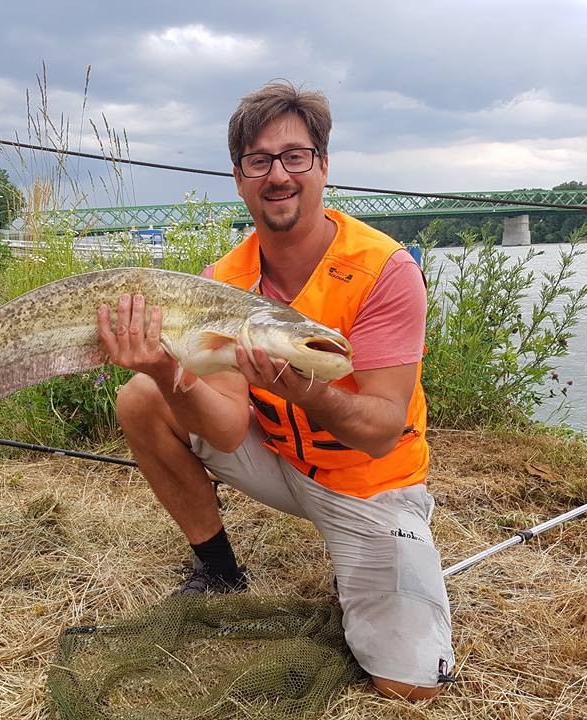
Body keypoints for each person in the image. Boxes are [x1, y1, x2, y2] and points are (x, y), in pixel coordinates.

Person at [95, 81, 454, 701]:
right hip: (280, 461)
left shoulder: (385, 270)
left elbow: (379, 430)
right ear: (238, 178)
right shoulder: (222, 281)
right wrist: (161, 368)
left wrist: (308, 390)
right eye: (258, 161)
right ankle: (218, 571)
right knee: (141, 396)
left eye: (295, 156)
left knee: (408, 686)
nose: (278, 175)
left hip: (367, 482)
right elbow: (229, 429)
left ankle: (381, 568)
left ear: (323, 167)